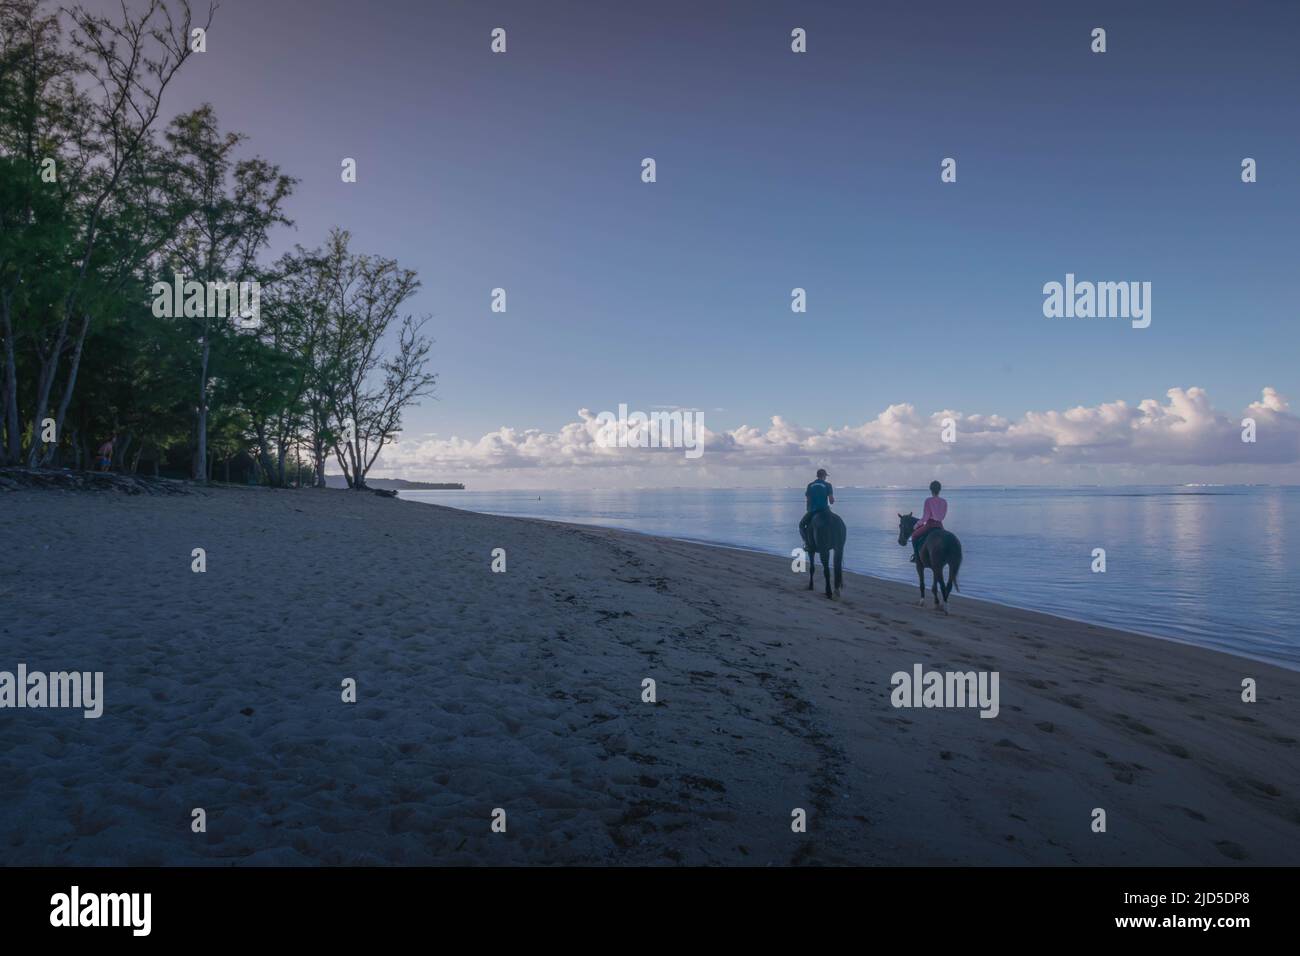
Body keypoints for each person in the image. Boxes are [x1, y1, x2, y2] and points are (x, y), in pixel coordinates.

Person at [910, 480, 947, 563]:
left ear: (931, 490)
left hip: (930, 524)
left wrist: (917, 524)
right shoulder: (944, 501)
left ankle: (916, 557)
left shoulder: (928, 501)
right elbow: (943, 516)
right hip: (940, 525)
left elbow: (925, 517)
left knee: (914, 536)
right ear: (939, 490)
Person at [799, 468, 834, 544]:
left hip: (813, 510)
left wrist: (809, 509)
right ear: (824, 476)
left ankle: (806, 543)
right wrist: (832, 500)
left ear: (817, 476)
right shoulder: (828, 485)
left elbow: (808, 500)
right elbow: (831, 501)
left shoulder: (810, 485)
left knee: (801, 525)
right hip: (824, 510)